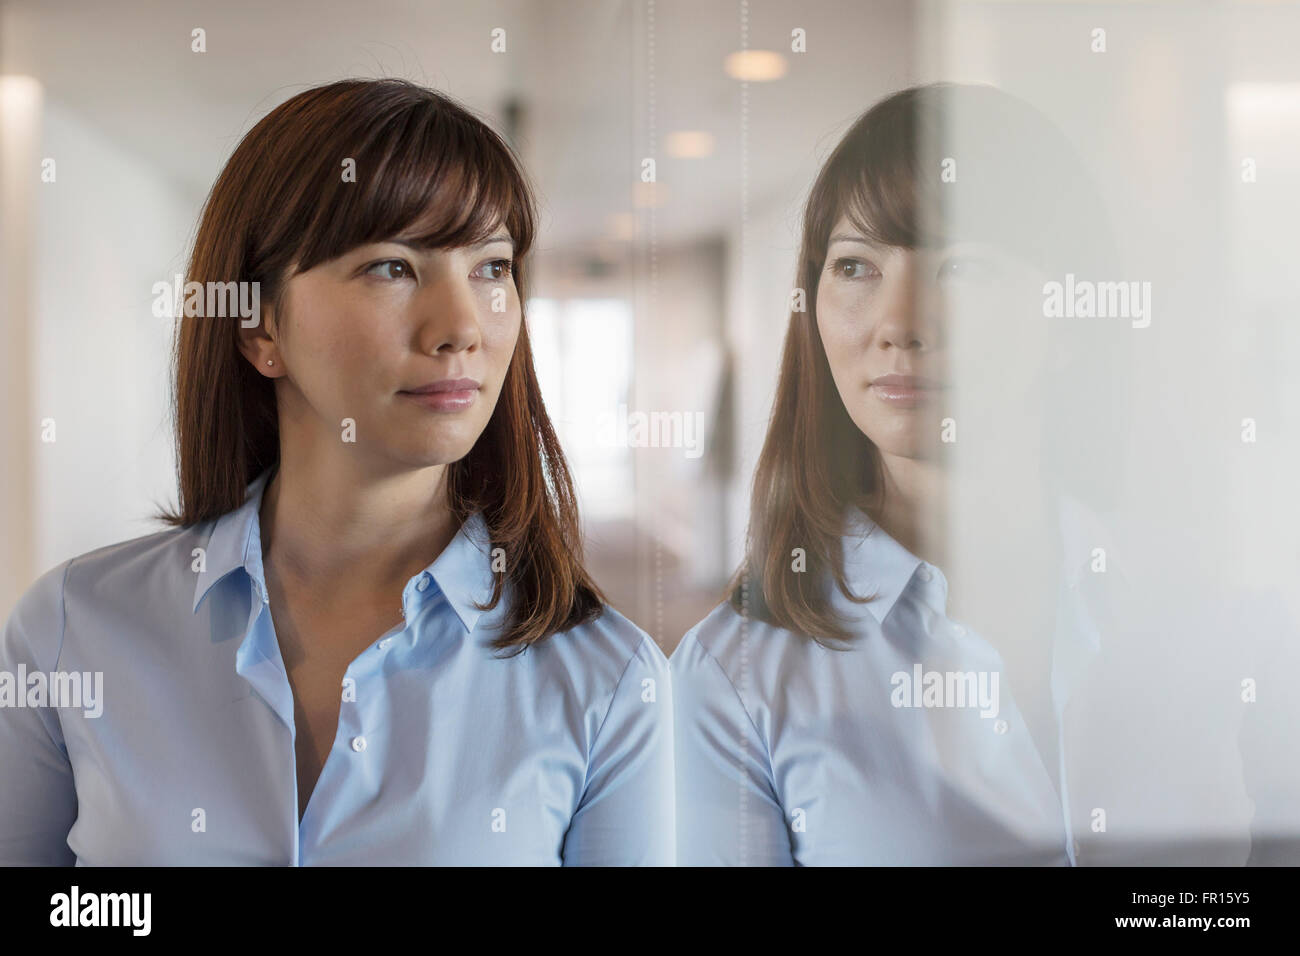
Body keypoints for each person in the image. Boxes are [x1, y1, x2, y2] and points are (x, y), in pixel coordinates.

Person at [0, 78, 673, 866]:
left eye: (492, 268)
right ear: (259, 327)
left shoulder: (609, 681)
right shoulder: (72, 630)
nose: (462, 327)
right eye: (392, 267)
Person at [669, 81, 1217, 865]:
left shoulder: (1195, 598)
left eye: (962, 270)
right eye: (855, 267)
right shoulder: (735, 675)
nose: (899, 325)